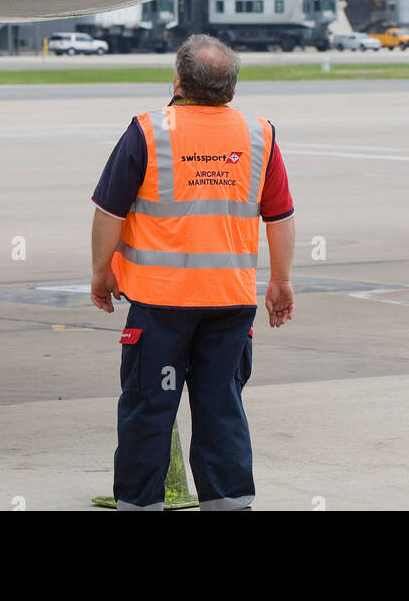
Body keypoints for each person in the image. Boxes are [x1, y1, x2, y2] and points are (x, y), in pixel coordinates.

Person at [90, 32, 295, 511]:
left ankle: (140, 504)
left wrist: (101, 271)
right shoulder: (259, 134)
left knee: (149, 407)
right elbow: (280, 216)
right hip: (230, 302)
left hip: (161, 305)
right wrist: (281, 281)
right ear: (232, 87)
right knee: (221, 406)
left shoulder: (148, 130)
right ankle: (229, 502)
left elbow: (108, 212)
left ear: (178, 80)